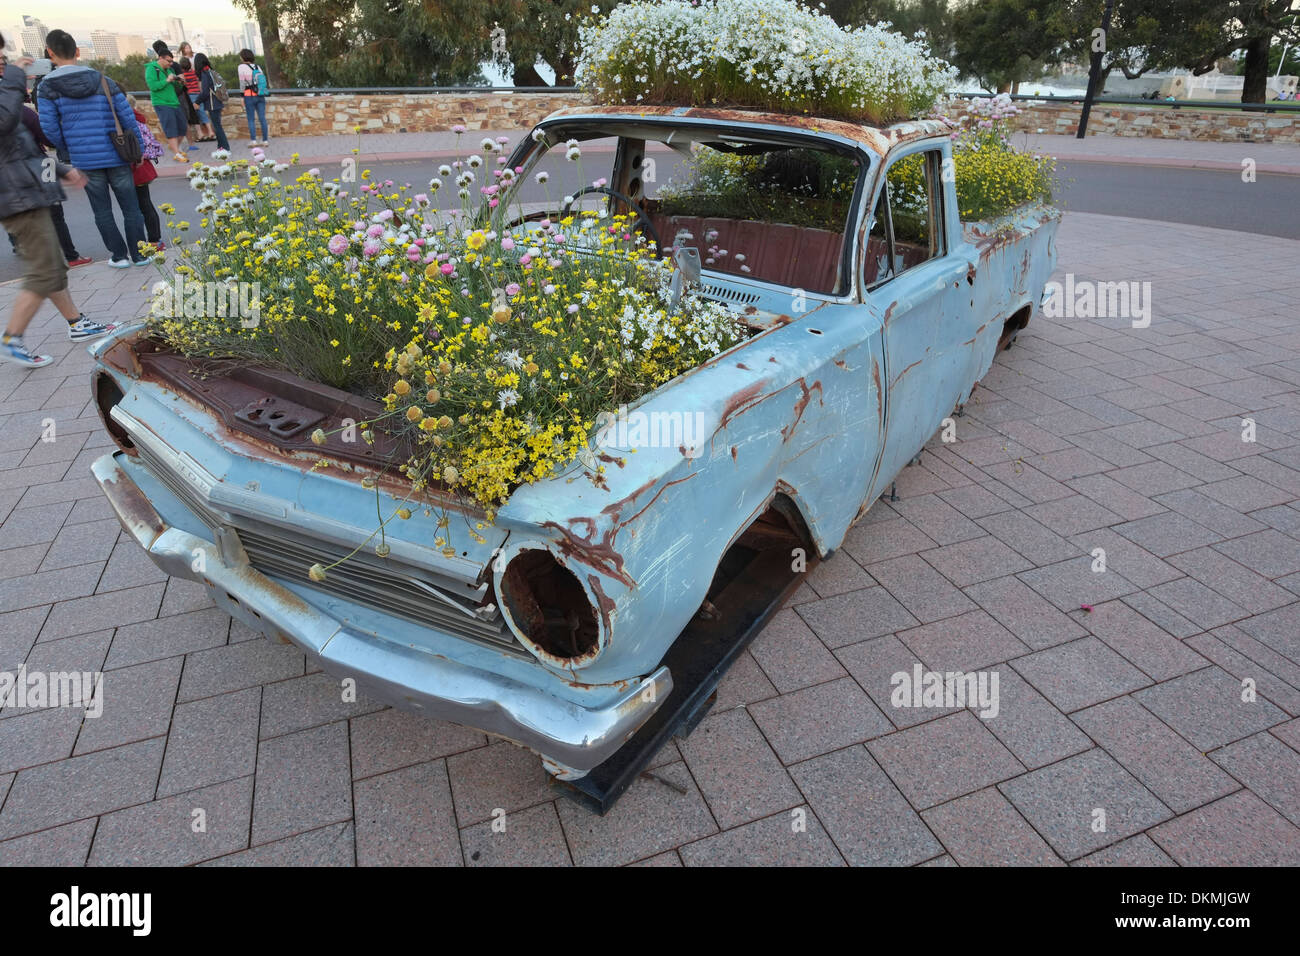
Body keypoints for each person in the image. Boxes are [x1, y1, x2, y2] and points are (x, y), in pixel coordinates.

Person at [0, 38, 114, 368]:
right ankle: (11, 338)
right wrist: (15, 81)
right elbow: (7, 123)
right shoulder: (8, 95)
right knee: (44, 270)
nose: (4, 62)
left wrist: (61, 170)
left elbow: (26, 150)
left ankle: (76, 323)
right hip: (17, 197)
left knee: (52, 264)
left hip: (28, 189)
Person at [36, 28, 148, 268]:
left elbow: (49, 128)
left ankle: (119, 257)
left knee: (102, 211)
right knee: (131, 207)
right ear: (77, 51)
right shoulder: (103, 80)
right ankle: (140, 255)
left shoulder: (46, 88)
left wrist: (67, 147)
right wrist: (137, 149)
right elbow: (127, 118)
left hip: (84, 159)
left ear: (50, 53)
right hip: (117, 155)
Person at [13, 102, 91, 266]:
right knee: (55, 215)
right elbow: (46, 138)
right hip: (39, 168)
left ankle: (40, 258)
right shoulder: (23, 112)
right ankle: (71, 257)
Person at [127, 95, 164, 250]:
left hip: (135, 167)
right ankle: (155, 239)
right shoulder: (140, 120)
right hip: (142, 167)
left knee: (139, 205)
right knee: (145, 203)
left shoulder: (128, 122)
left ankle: (149, 240)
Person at [145, 42, 189, 162]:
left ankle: (176, 148)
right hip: (162, 102)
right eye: (168, 61)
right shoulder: (151, 69)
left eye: (171, 62)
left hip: (174, 101)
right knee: (171, 128)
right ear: (160, 58)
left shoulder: (169, 69)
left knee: (183, 127)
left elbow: (173, 83)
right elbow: (153, 86)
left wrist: (178, 81)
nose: (170, 64)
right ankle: (176, 153)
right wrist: (166, 80)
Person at [193, 53, 229, 152]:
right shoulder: (210, 71)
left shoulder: (205, 74)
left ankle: (225, 148)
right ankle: (221, 147)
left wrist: (197, 102)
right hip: (217, 101)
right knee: (217, 126)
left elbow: (205, 92)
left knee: (217, 127)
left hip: (212, 103)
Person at [178, 43, 213, 141]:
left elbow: (183, 84)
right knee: (202, 112)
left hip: (190, 95)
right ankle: (210, 131)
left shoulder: (183, 75)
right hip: (198, 93)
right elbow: (199, 82)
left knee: (195, 115)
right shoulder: (194, 73)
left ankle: (200, 134)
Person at [237, 48, 269, 147]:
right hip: (260, 95)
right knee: (262, 118)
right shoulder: (257, 66)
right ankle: (265, 141)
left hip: (249, 95)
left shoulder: (241, 67)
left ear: (243, 57)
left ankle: (254, 141)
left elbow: (242, 83)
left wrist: (242, 97)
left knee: (251, 119)